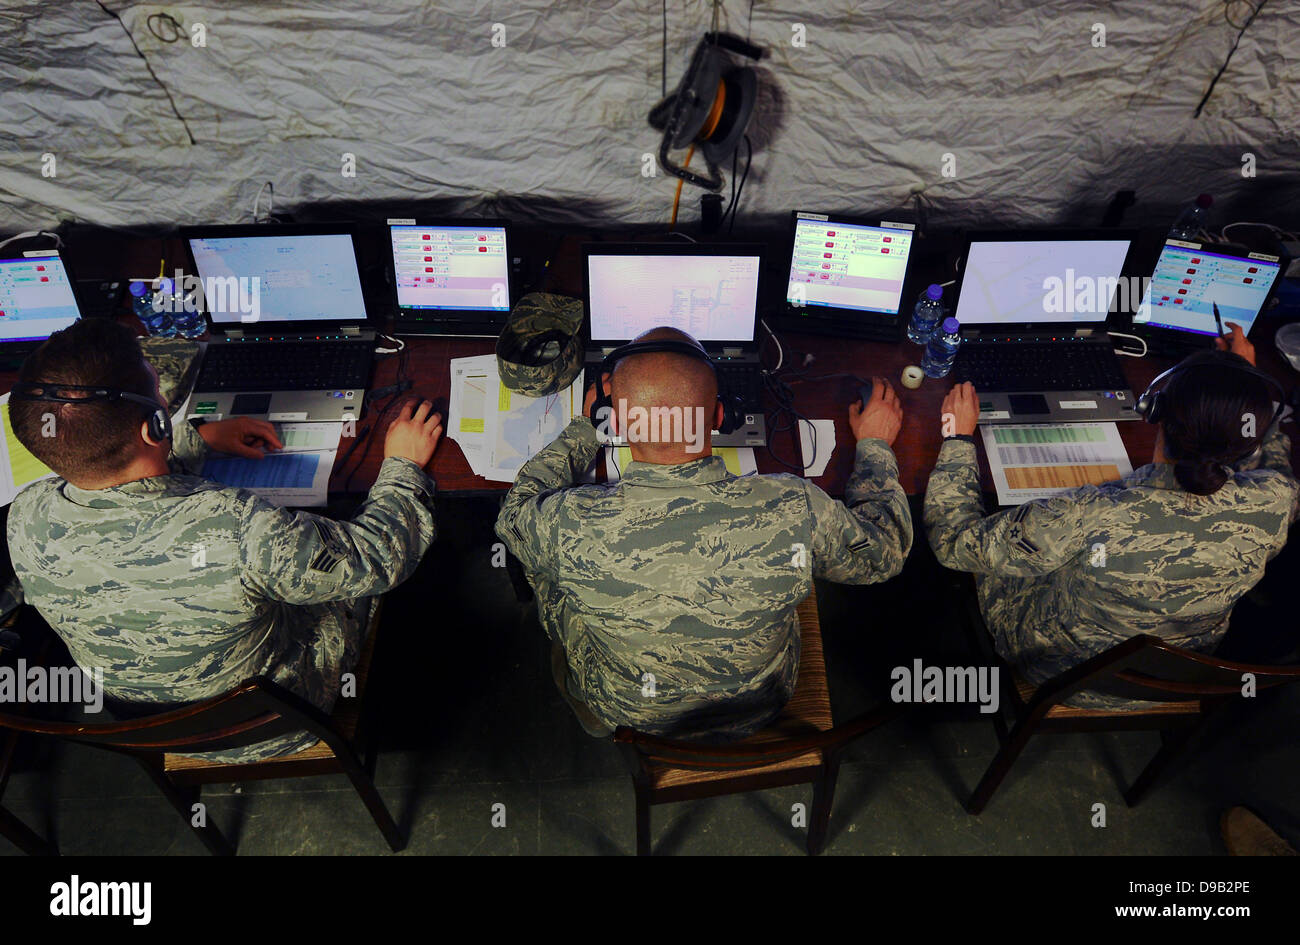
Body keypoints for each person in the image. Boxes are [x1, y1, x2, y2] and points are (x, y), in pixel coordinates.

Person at [4, 319, 443, 761]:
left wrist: (195, 440)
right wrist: (403, 466)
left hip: (151, 729)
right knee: (356, 552)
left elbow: (116, 479)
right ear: (155, 426)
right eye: (158, 392)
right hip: (273, 722)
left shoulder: (25, 514)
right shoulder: (236, 528)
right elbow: (380, 557)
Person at [496, 326, 912, 738]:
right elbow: (885, 554)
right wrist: (875, 445)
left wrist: (586, 430)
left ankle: (595, 716)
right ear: (717, 417)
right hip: (761, 703)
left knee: (547, 572)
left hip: (633, 710)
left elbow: (512, 514)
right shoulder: (794, 507)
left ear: (617, 424)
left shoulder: (569, 521)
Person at [924, 324, 1298, 706]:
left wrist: (958, 437)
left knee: (1007, 536)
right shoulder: (1277, 499)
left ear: (1154, 410)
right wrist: (1240, 389)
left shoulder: (1090, 514)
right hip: (1176, 677)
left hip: (1066, 676)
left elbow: (952, 542)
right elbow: (1273, 464)